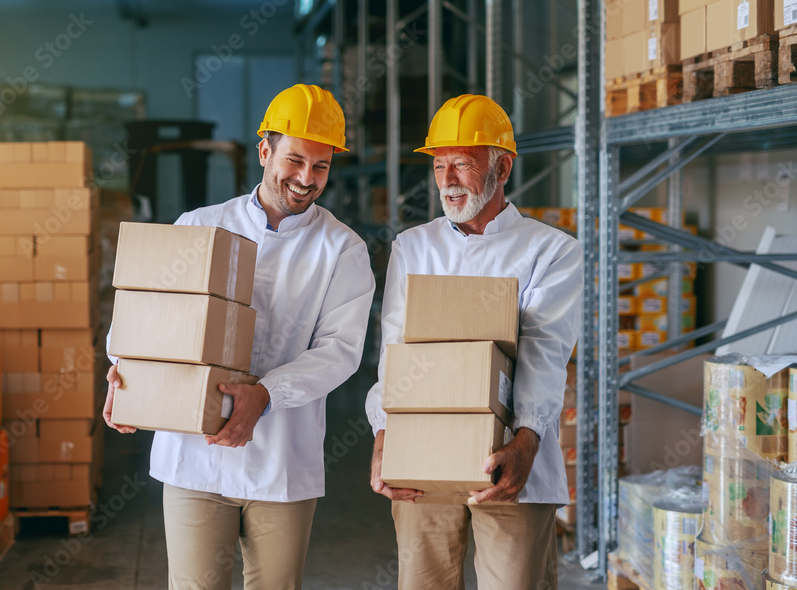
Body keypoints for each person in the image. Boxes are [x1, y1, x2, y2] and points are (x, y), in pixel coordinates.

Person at [104, 83, 376, 590]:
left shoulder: (342, 250)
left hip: (282, 462)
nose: (306, 179)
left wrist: (266, 394)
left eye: (321, 166)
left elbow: (340, 352)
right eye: (295, 160)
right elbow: (148, 312)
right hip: (193, 459)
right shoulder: (200, 226)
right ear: (265, 150)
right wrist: (126, 373)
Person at [364, 94, 583, 589]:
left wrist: (526, 440)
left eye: (462, 165)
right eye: (440, 166)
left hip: (510, 462)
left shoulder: (551, 252)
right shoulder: (413, 247)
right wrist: (384, 435)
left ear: (502, 167)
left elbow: (544, 354)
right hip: (423, 456)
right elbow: (395, 354)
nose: (447, 180)